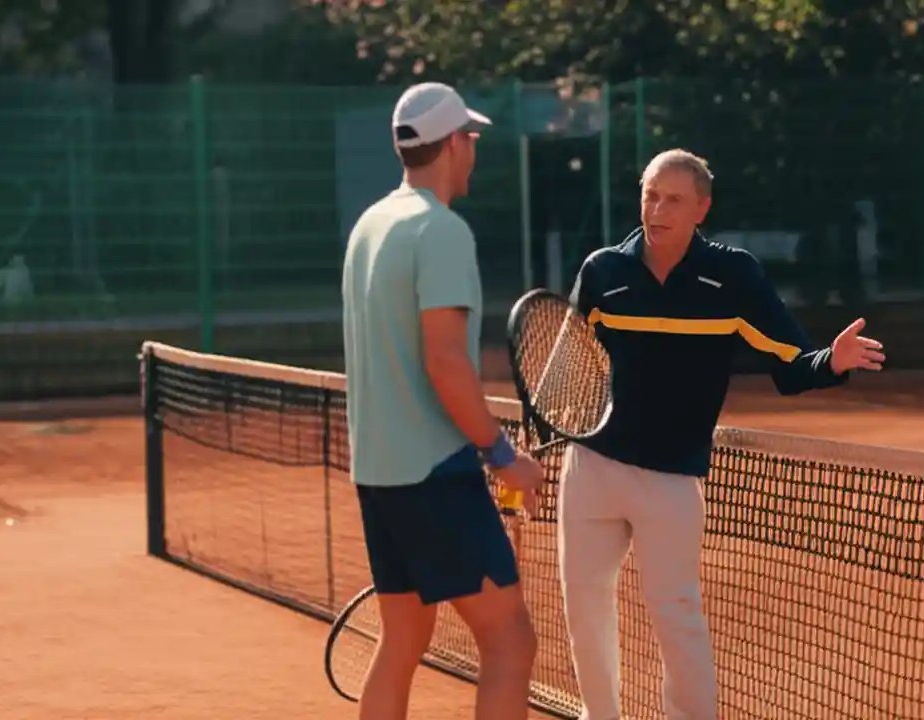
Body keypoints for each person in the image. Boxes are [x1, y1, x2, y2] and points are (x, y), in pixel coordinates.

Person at [560, 149, 886, 719]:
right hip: (592, 468)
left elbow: (790, 359)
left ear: (701, 209)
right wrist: (554, 426)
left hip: (671, 478)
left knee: (676, 615)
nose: (656, 209)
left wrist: (830, 361)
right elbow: (566, 367)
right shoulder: (603, 272)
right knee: (583, 608)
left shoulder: (732, 278)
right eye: (650, 194)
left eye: (673, 199)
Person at [341, 81, 546, 720]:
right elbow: (445, 362)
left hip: (377, 474)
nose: (474, 149)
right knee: (509, 638)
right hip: (434, 473)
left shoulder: (370, 225)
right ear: (455, 143)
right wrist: (500, 452)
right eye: (472, 138)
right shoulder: (442, 231)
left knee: (402, 638)